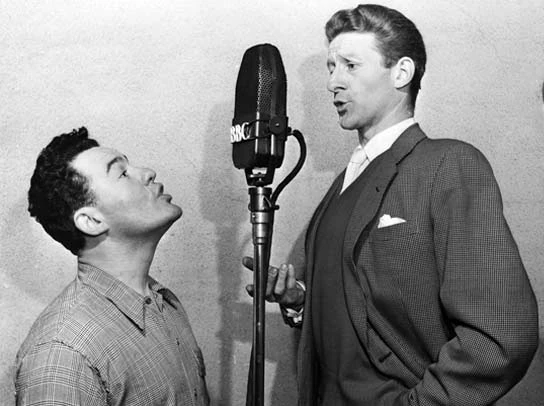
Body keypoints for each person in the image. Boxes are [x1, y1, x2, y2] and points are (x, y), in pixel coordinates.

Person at [244, 4, 538, 405]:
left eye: (350, 65)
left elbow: (503, 336)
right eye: (331, 67)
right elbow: (364, 309)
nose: (333, 82)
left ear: (401, 72)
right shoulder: (346, 182)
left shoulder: (447, 165)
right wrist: (301, 300)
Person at [15, 128, 209, 405]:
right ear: (92, 221)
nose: (148, 173)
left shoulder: (164, 304)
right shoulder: (62, 355)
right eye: (122, 173)